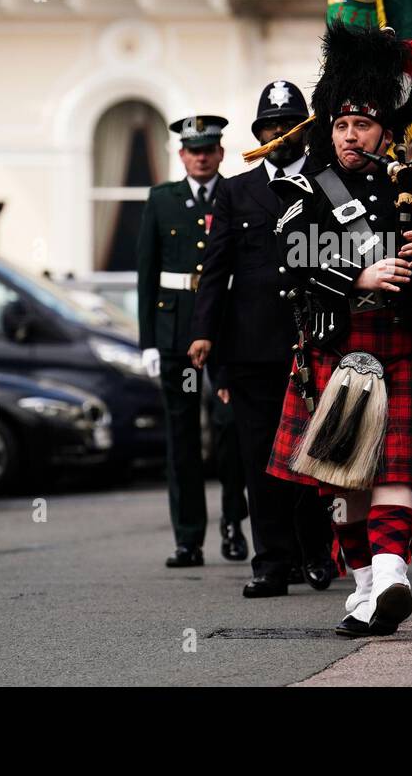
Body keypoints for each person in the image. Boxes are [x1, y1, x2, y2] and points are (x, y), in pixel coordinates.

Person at [264, 22, 412, 637]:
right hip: (340, 344)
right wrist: (356, 279)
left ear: (386, 134)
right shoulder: (312, 193)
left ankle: (392, 573)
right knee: (343, 475)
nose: (348, 135)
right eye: (340, 125)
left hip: (407, 341)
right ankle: (366, 587)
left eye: (361, 125)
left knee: (395, 465)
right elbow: (289, 261)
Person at [188, 81, 336, 597]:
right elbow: (216, 269)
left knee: (313, 454)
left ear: (303, 131)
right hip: (251, 347)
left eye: (288, 125)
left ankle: (316, 552)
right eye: (270, 126)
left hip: (313, 339)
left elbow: (353, 248)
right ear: (259, 133)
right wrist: (205, 335)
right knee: (259, 459)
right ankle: (271, 562)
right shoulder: (235, 190)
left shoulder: (327, 181)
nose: (279, 134)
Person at [137, 115, 248, 568]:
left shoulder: (236, 194)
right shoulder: (162, 200)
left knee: (230, 429)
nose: (201, 157)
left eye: (209, 149)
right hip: (179, 333)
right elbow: (147, 272)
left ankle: (233, 524)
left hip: (226, 330)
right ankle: (188, 539)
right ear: (181, 155)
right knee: (181, 435)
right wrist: (147, 340)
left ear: (220, 153)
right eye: (193, 150)